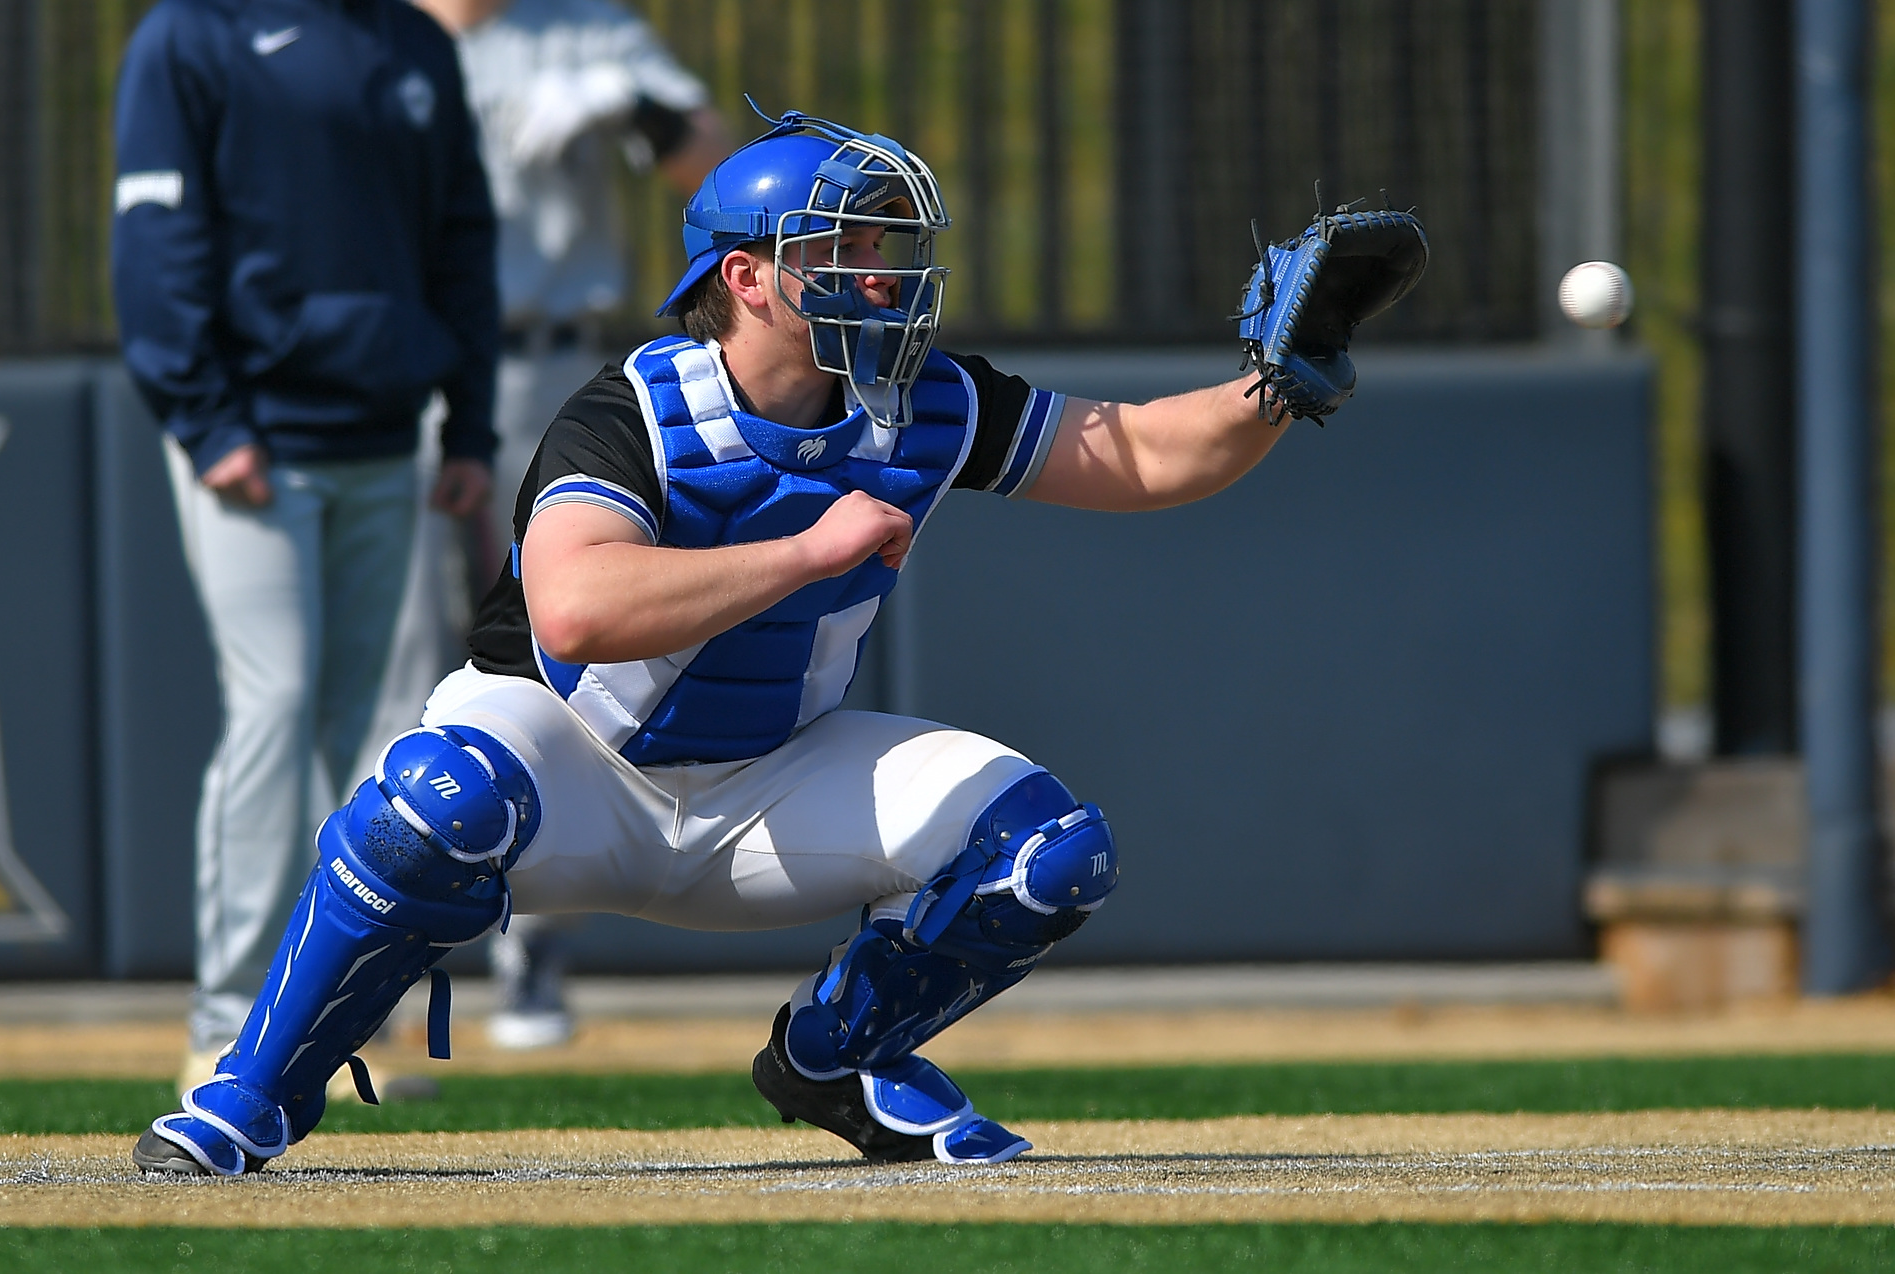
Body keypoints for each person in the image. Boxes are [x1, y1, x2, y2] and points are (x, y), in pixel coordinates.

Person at [131, 108, 1404, 1176]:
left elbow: (1141, 457)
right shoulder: (633, 404)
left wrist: (1281, 381)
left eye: (892, 249)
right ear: (746, 275)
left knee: (1052, 850)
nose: (885, 277)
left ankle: (837, 1057)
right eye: (848, 249)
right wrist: (808, 551)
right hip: (571, 755)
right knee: (433, 800)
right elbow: (575, 608)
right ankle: (247, 1097)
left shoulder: (928, 400)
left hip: (766, 783)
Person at [110, 0, 499, 1096]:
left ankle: (325, 1022)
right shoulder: (191, 34)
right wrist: (206, 417)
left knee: (356, 731)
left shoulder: (414, 40)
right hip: (257, 443)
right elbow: (154, 236)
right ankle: (229, 1019)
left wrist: (466, 424)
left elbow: (461, 236)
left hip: (387, 440)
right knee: (274, 708)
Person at [377, 0, 732, 1050]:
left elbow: (717, 170)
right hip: (403, 366)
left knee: (551, 662)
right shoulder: (370, 30)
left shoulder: (581, 29)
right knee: (387, 673)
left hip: (542, 355)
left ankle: (532, 953)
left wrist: (640, 108)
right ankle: (384, 946)